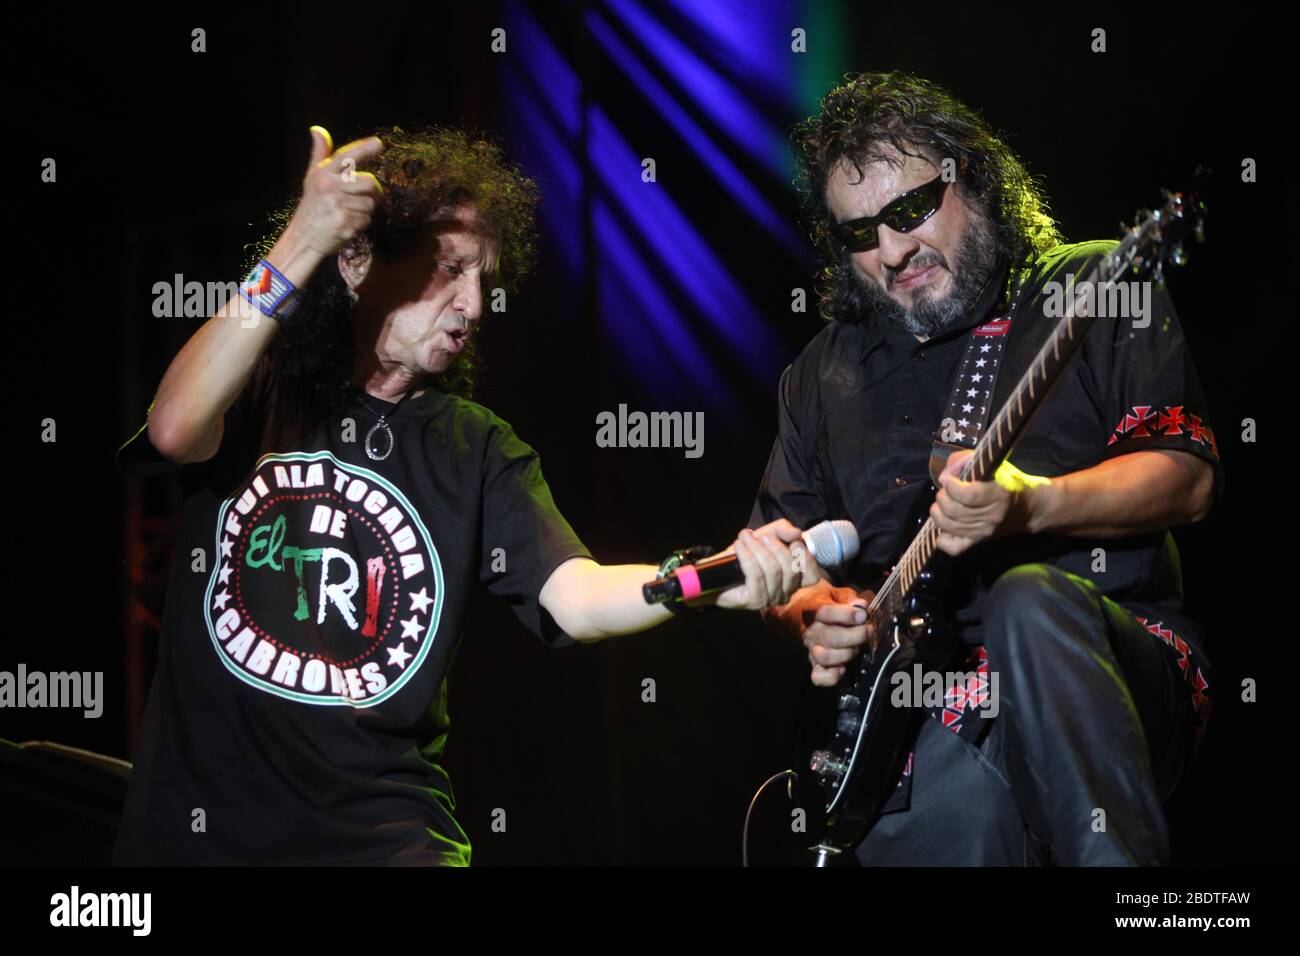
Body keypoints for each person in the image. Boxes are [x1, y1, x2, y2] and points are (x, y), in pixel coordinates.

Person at [112, 124, 816, 865]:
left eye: (485, 281)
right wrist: (302, 239)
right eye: (450, 269)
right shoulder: (260, 385)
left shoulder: (476, 447)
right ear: (357, 261)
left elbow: (574, 597)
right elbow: (171, 428)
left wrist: (703, 582)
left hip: (385, 842)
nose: (474, 306)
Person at [751, 73, 1221, 866]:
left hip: (1108, 667)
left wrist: (1029, 509)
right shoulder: (821, 374)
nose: (893, 251)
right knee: (958, 813)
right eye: (861, 234)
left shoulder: (1092, 285)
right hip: (917, 718)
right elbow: (787, 558)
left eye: (909, 211)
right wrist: (816, 614)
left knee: (1028, 601)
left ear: (970, 174)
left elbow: (1190, 477)